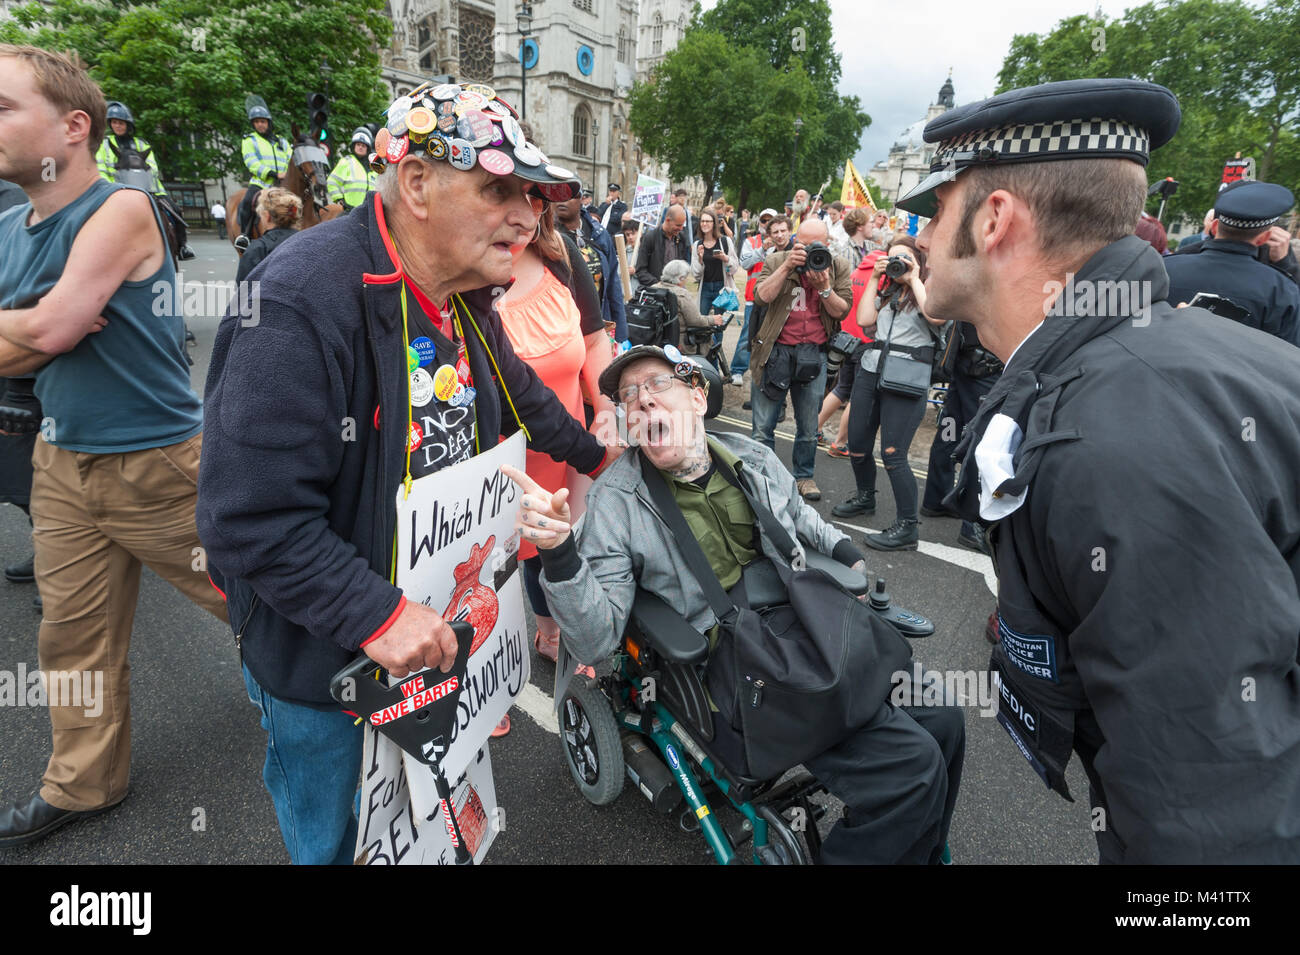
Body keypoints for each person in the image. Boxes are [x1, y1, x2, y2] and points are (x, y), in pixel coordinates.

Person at [196, 82, 613, 865]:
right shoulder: (298, 296)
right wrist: (379, 615)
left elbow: (521, 394)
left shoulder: (462, 295)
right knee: (336, 839)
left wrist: (603, 456)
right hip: (328, 665)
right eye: (498, 189)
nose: (526, 216)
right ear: (417, 182)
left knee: (425, 831)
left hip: (435, 633)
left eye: (530, 193)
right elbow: (247, 516)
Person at [897, 76, 1300, 863]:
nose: (919, 230)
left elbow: (1209, 809)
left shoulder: (1109, 435)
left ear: (994, 217)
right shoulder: (1142, 364)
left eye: (935, 207)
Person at [510, 344, 965, 864]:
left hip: (806, 615)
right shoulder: (615, 503)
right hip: (735, 657)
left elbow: (797, 514)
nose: (641, 404)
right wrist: (559, 555)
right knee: (912, 770)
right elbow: (594, 640)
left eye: (657, 386)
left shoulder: (751, 456)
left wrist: (845, 553)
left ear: (698, 398)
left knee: (945, 717)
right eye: (628, 399)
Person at [0, 45, 228, 848]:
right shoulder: (7, 223)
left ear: (73, 126)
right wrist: (34, 328)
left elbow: (54, 329)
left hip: (159, 461)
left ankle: (362, 698)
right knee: (72, 634)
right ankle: (84, 782)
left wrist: (43, 326)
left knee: (256, 600)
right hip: (60, 464)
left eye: (2, 108)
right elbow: (39, 334)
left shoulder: (122, 209)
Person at [493, 198, 615, 718]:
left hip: (571, 439)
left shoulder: (560, 252)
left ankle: (548, 633)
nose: (522, 211)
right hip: (496, 454)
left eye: (533, 196)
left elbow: (593, 337)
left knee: (559, 546)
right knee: (490, 561)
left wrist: (606, 406)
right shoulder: (470, 264)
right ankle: (482, 681)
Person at [829, 236, 944, 550]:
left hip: (907, 378)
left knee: (893, 455)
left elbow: (936, 315)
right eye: (892, 258)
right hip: (871, 370)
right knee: (858, 445)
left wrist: (914, 277)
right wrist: (876, 278)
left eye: (904, 257)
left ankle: (907, 528)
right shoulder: (887, 289)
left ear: (917, 259)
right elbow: (865, 320)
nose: (898, 263)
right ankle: (865, 497)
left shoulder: (930, 287)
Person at [750, 217, 853, 502]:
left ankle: (804, 477)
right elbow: (761, 296)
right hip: (775, 351)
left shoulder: (837, 266)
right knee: (762, 428)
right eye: (803, 245)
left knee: (809, 428)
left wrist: (824, 287)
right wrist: (786, 266)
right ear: (795, 241)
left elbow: (842, 311)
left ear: (827, 243)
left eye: (815, 246)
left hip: (813, 354)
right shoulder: (778, 261)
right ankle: (764, 477)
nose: (808, 252)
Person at [1163, 180, 1299, 344]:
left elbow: (1132, 327)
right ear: (1264, 238)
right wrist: (1285, 265)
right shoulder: (1282, 291)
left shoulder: (1162, 268)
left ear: (1214, 227)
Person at [919, 321, 1002, 551]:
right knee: (981, 441)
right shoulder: (1000, 285)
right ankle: (971, 524)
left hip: (964, 361)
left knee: (949, 433)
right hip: (986, 366)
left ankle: (936, 500)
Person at [556, 190, 627, 339]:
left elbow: (613, 286)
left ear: (581, 199)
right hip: (563, 332)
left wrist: (621, 335)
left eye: (568, 195)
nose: (561, 200)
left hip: (598, 327)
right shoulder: (545, 237)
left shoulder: (599, 234)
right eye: (555, 195)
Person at [733, 210, 786, 387]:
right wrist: (762, 248)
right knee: (748, 335)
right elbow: (745, 263)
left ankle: (761, 376)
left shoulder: (781, 244)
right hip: (753, 297)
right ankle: (738, 369)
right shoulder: (751, 242)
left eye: (769, 221)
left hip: (775, 300)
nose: (766, 223)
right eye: (763, 220)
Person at [236, 99, 291, 246]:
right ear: (253, 124)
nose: (260, 124)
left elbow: (290, 159)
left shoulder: (282, 141)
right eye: (257, 121)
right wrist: (273, 174)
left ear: (269, 123)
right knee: (247, 202)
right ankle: (245, 236)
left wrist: (286, 174)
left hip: (282, 185)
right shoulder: (249, 140)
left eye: (263, 121)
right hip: (261, 184)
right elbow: (251, 162)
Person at [94, 101, 165, 196]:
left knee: (174, 210)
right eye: (114, 122)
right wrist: (114, 190)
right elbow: (101, 171)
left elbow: (152, 170)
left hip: (149, 191)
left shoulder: (142, 144)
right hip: (113, 192)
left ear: (128, 125)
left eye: (121, 123)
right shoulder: (104, 144)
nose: (117, 126)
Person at [235, 186, 301, 283]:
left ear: (267, 216)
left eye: (260, 215)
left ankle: (244, 234)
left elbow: (244, 292)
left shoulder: (257, 249)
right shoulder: (310, 242)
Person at [652, 259, 717, 353]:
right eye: (686, 277)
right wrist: (713, 320)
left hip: (657, 338)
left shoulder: (653, 288)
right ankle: (711, 367)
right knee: (712, 338)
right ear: (680, 278)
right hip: (679, 342)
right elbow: (696, 321)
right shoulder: (682, 294)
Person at [691, 209, 738, 322]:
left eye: (708, 221)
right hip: (705, 288)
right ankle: (704, 341)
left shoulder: (725, 241)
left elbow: (735, 267)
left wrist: (725, 258)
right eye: (702, 221)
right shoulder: (697, 244)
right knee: (701, 321)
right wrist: (700, 259)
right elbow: (696, 275)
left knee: (719, 324)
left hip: (722, 287)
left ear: (714, 223)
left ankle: (717, 341)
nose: (704, 224)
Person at [634, 204, 689, 288]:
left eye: (682, 225)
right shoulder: (650, 237)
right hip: (655, 292)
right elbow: (641, 270)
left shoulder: (681, 238)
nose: (681, 228)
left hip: (676, 291)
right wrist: (659, 285)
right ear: (667, 220)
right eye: (678, 225)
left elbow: (683, 266)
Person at [326, 127, 377, 211]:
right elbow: (332, 181)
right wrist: (339, 199)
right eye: (358, 145)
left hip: (370, 210)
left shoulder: (373, 165)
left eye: (363, 145)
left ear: (368, 149)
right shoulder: (346, 161)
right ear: (353, 146)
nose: (360, 147)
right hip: (350, 210)